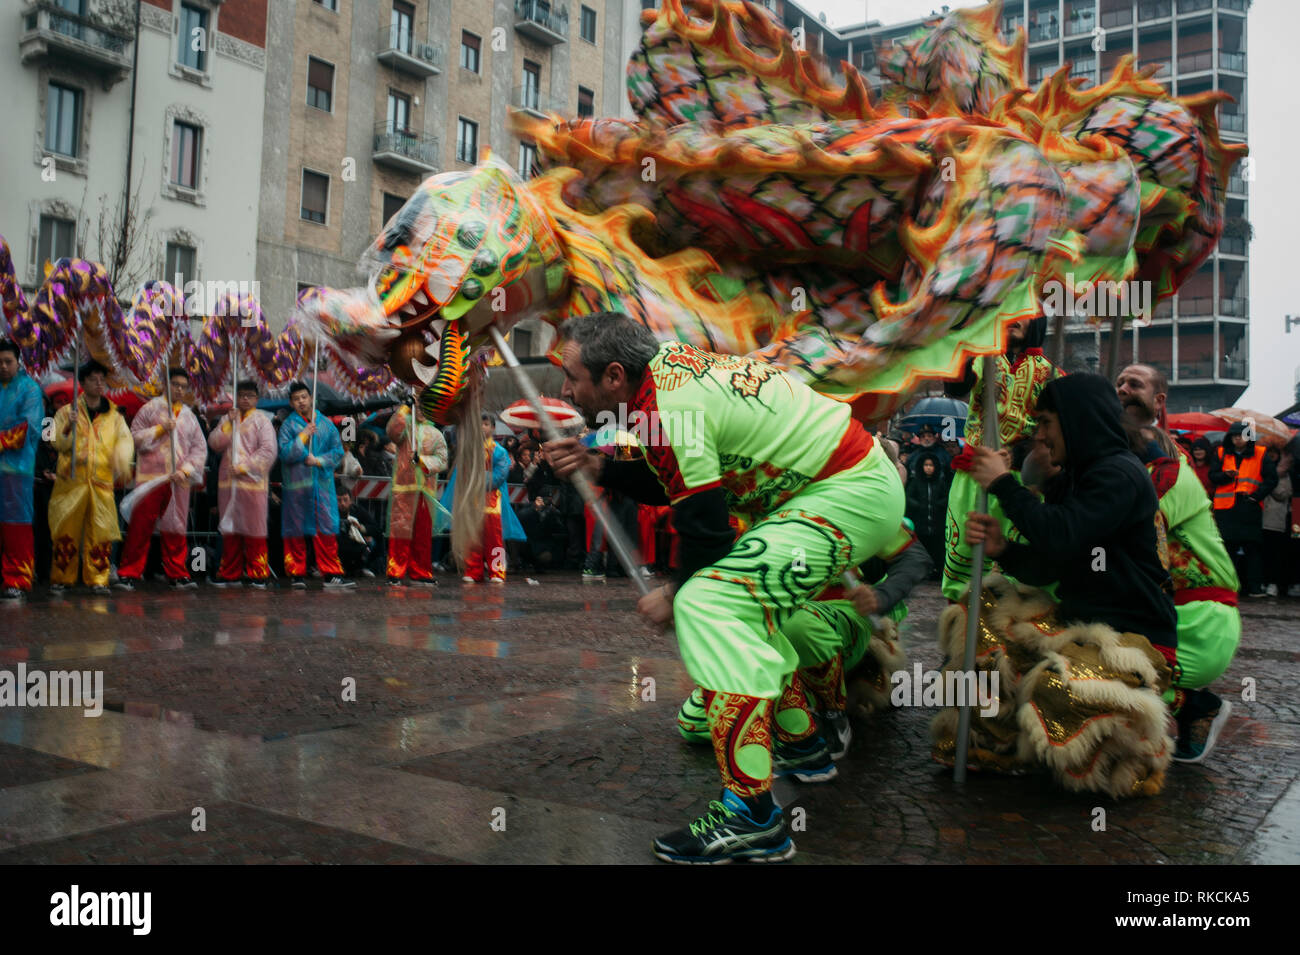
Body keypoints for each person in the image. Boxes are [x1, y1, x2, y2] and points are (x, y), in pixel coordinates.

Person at [544, 313, 905, 864]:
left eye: (571, 377)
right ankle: (804, 745)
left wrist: (676, 592)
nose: (564, 390)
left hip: (846, 489)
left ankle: (752, 815)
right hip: (835, 491)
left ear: (614, 375)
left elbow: (705, 523)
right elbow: (676, 479)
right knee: (742, 606)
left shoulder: (669, 402)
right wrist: (601, 465)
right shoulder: (659, 389)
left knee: (711, 602)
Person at [1130, 425, 1240, 763]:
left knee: (1116, 673)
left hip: (1202, 619)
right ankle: (1188, 709)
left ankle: (1196, 706)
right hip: (1181, 616)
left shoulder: (1170, 474)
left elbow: (1131, 529)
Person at [942, 315, 1061, 601]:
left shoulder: (1051, 373)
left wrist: (1022, 451)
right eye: (1008, 312)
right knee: (966, 553)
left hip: (1023, 480)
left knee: (1016, 566)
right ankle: (962, 622)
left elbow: (1058, 428)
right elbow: (955, 387)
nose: (1015, 319)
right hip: (974, 474)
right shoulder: (983, 360)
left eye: (1024, 314)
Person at [115, 368, 207, 590]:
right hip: (150, 478)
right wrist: (159, 430)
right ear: (166, 385)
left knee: (176, 527)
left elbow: (199, 449)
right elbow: (133, 438)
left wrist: (185, 470)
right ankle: (129, 572)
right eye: (175, 384)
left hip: (178, 480)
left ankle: (177, 573)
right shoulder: (150, 409)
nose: (179, 389)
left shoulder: (190, 417)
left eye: (183, 386)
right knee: (140, 526)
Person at [47, 361, 133, 594]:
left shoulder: (114, 415)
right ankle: (61, 578)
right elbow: (53, 440)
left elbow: (125, 441)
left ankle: (98, 579)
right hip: (71, 482)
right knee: (66, 530)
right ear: (82, 383)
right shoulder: (66, 412)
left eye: (102, 380)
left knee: (101, 532)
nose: (99, 383)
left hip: (101, 482)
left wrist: (121, 459)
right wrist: (69, 429)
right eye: (93, 379)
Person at [279, 381, 355, 589]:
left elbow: (338, 452)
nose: (301, 401)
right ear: (291, 403)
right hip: (296, 489)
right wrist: (303, 438)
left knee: (326, 529)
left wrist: (318, 460)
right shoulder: (289, 426)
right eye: (296, 399)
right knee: (295, 530)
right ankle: (296, 573)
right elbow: (285, 453)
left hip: (322, 488)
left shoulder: (327, 425)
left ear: (310, 398)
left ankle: (331, 573)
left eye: (304, 397)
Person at [441, 413, 526, 584]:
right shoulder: (469, 450)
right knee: (473, 537)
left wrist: (477, 479)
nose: (483, 428)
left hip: (492, 501)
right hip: (472, 501)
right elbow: (463, 472)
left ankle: (497, 571)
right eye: (480, 424)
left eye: (486, 424)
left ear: (493, 428)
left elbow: (500, 475)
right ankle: (473, 571)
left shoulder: (500, 451)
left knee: (494, 538)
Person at [209, 381, 277, 588]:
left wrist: (245, 467)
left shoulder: (262, 421)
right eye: (242, 395)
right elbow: (215, 443)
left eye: (250, 395)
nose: (245, 399)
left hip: (252, 484)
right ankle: (230, 572)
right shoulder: (228, 418)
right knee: (230, 530)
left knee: (254, 530)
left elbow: (268, 451)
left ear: (256, 399)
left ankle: (258, 573)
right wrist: (228, 424)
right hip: (228, 484)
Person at [1209, 421, 1277, 598]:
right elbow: (1213, 476)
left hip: (1249, 506)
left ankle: (1254, 588)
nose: (1237, 439)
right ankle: (1228, 586)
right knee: (1227, 549)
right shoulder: (1221, 452)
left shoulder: (1261, 454)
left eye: (1240, 435)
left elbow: (1271, 479)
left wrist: (1257, 496)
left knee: (1252, 549)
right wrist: (1225, 475)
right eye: (1233, 436)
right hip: (1226, 508)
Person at [385, 399, 448, 586]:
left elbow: (442, 461)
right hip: (403, 488)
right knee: (400, 532)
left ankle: (421, 572)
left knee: (422, 534)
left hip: (425, 492)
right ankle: (395, 571)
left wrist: (421, 460)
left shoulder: (436, 434)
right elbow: (392, 432)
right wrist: (404, 409)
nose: (421, 410)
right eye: (417, 407)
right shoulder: (406, 428)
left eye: (425, 407)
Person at [0, 340, 44, 599]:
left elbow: (27, 428)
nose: (3, 367)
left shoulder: (30, 389)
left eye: (8, 362)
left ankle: (17, 578)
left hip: (17, 471)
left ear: (18, 362)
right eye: (0, 363)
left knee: (16, 525)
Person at [905, 449, 949, 574]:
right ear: (921, 466)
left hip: (937, 524)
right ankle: (922, 571)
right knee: (922, 548)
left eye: (931, 465)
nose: (928, 468)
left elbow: (947, 497)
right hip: (920, 524)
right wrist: (918, 505)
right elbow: (908, 497)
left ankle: (938, 571)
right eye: (926, 465)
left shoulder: (940, 483)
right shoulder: (915, 482)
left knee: (937, 549)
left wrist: (938, 504)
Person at [1262, 448, 1293, 599]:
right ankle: (1263, 580)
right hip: (1260, 516)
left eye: (1275, 452)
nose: (1272, 455)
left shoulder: (1285, 473)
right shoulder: (1261, 468)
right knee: (1263, 550)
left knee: (1278, 550)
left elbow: (1283, 493)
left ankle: (1278, 583)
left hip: (1279, 518)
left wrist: (1272, 478)